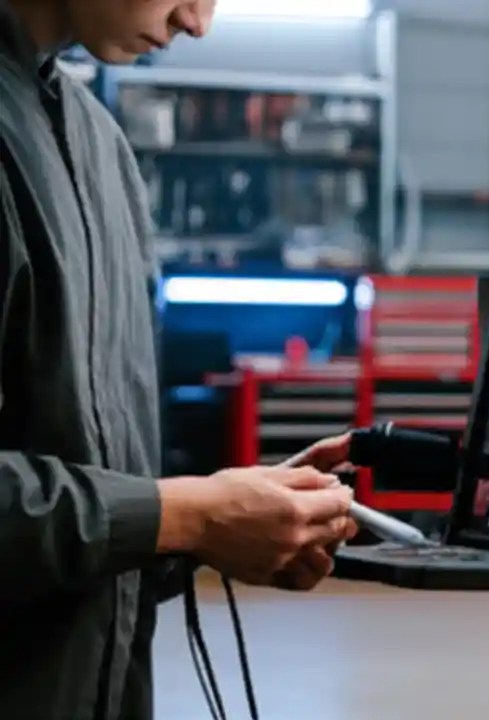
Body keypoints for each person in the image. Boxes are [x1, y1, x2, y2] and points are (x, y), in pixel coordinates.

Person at [0, 1, 363, 717]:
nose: (197, 22)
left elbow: (86, 476)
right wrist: (181, 516)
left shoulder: (98, 144)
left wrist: (222, 524)